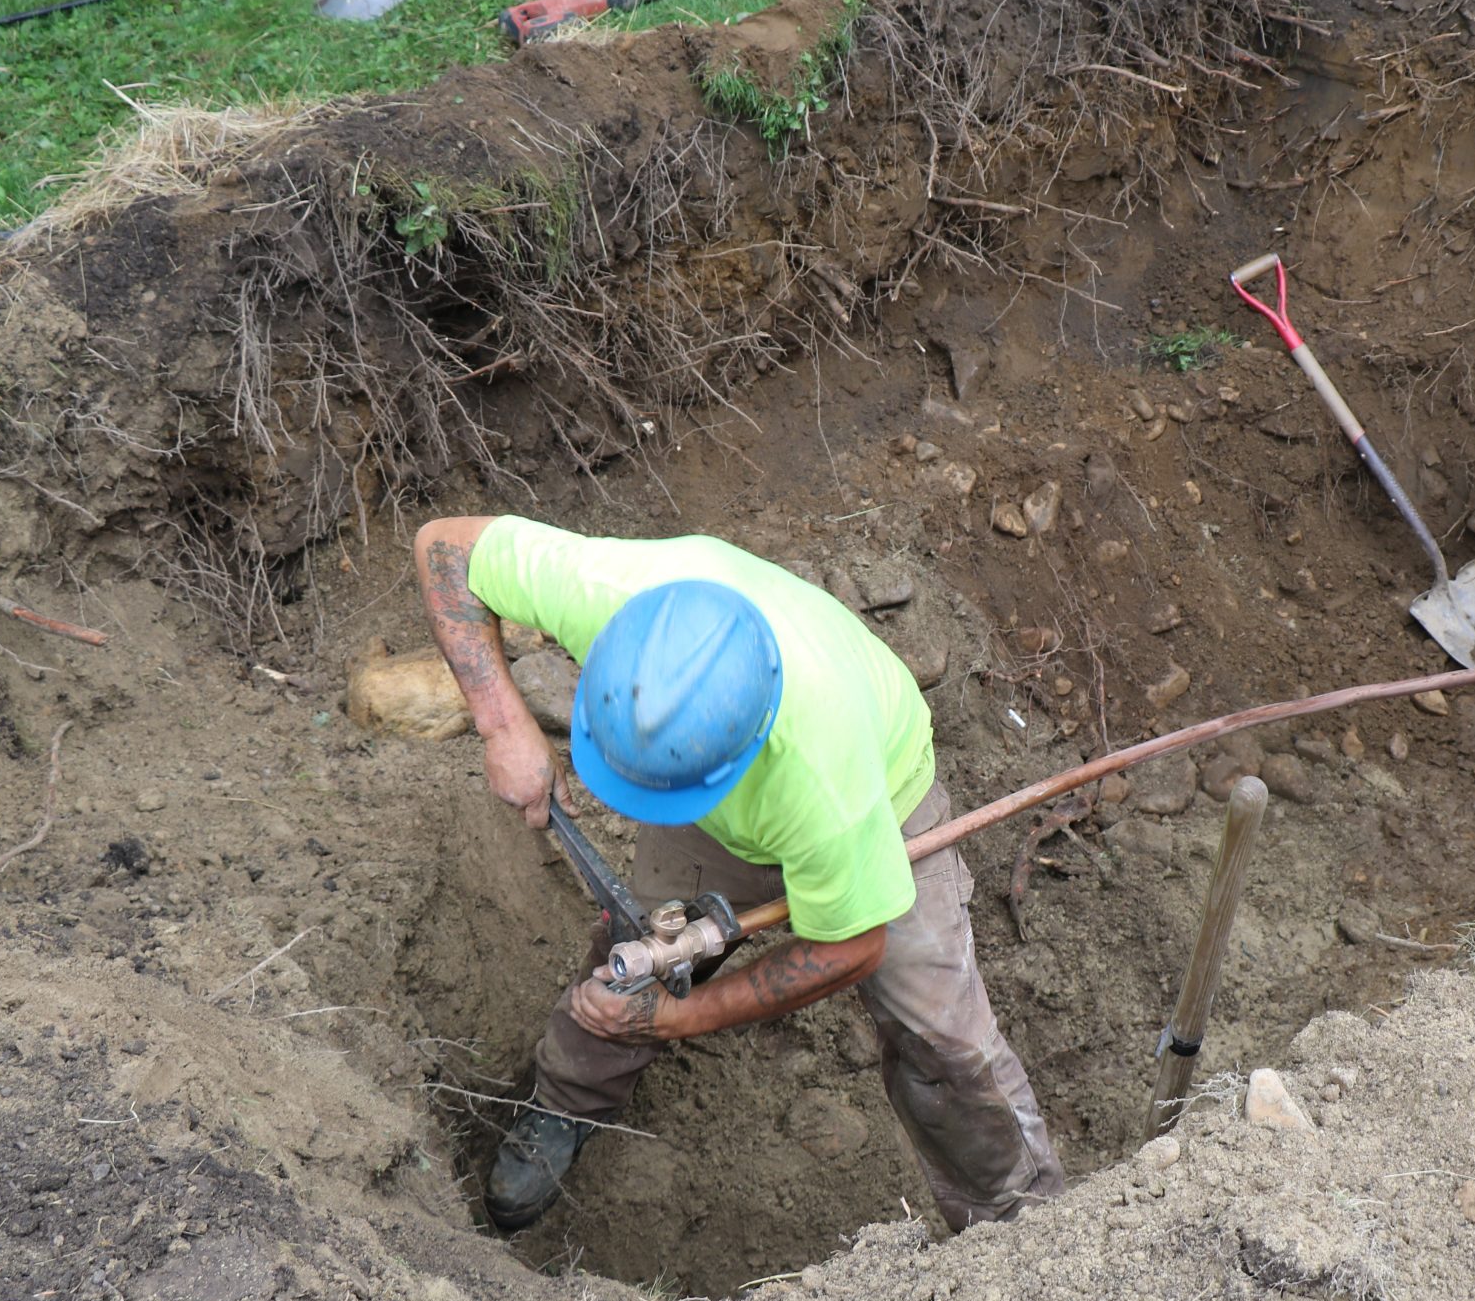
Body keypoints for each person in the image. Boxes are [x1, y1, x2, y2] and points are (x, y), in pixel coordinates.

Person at [413, 514, 1066, 1233]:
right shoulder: (606, 592)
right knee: (640, 953)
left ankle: (1019, 1223)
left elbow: (850, 948)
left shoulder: (824, 781)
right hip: (718, 794)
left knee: (944, 1039)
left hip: (884, 797)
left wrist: (678, 1018)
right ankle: (567, 1100)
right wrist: (503, 723)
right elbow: (446, 546)